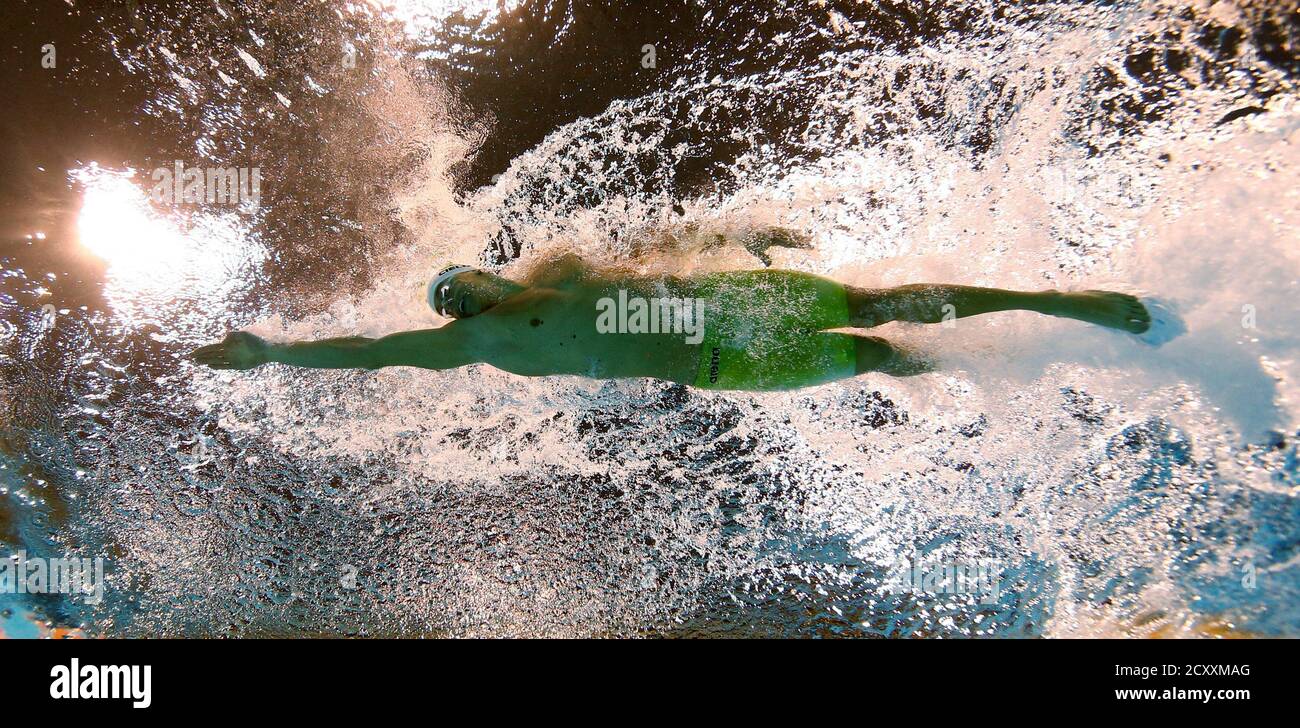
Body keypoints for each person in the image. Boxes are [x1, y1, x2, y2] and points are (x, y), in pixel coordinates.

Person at [192, 253, 1151, 391]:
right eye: (448, 302)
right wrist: (273, 351)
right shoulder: (476, 346)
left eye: (461, 283)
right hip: (718, 362)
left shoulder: (560, 271)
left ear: (487, 269)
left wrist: (734, 231)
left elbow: (655, 254)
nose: (460, 301)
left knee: (873, 305)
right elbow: (370, 353)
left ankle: (1051, 303)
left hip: (722, 302)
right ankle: (1006, 365)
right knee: (878, 361)